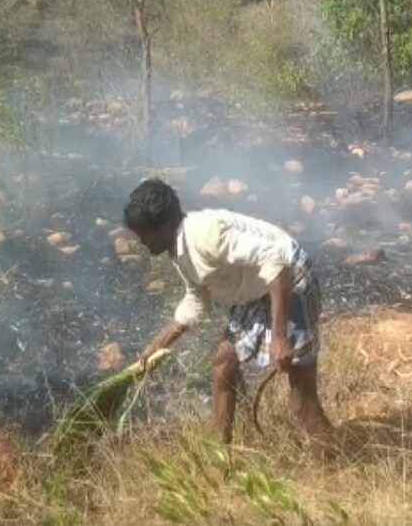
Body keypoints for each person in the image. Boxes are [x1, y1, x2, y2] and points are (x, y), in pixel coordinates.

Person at [122, 177, 335, 443]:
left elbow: (277, 265)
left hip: (290, 279)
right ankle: (220, 455)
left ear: (163, 227)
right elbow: (197, 297)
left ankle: (331, 461)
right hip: (255, 289)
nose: (142, 242)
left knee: (301, 397)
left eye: (144, 235)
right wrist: (160, 343)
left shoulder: (206, 236)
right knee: (224, 362)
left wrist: (279, 337)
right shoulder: (178, 248)